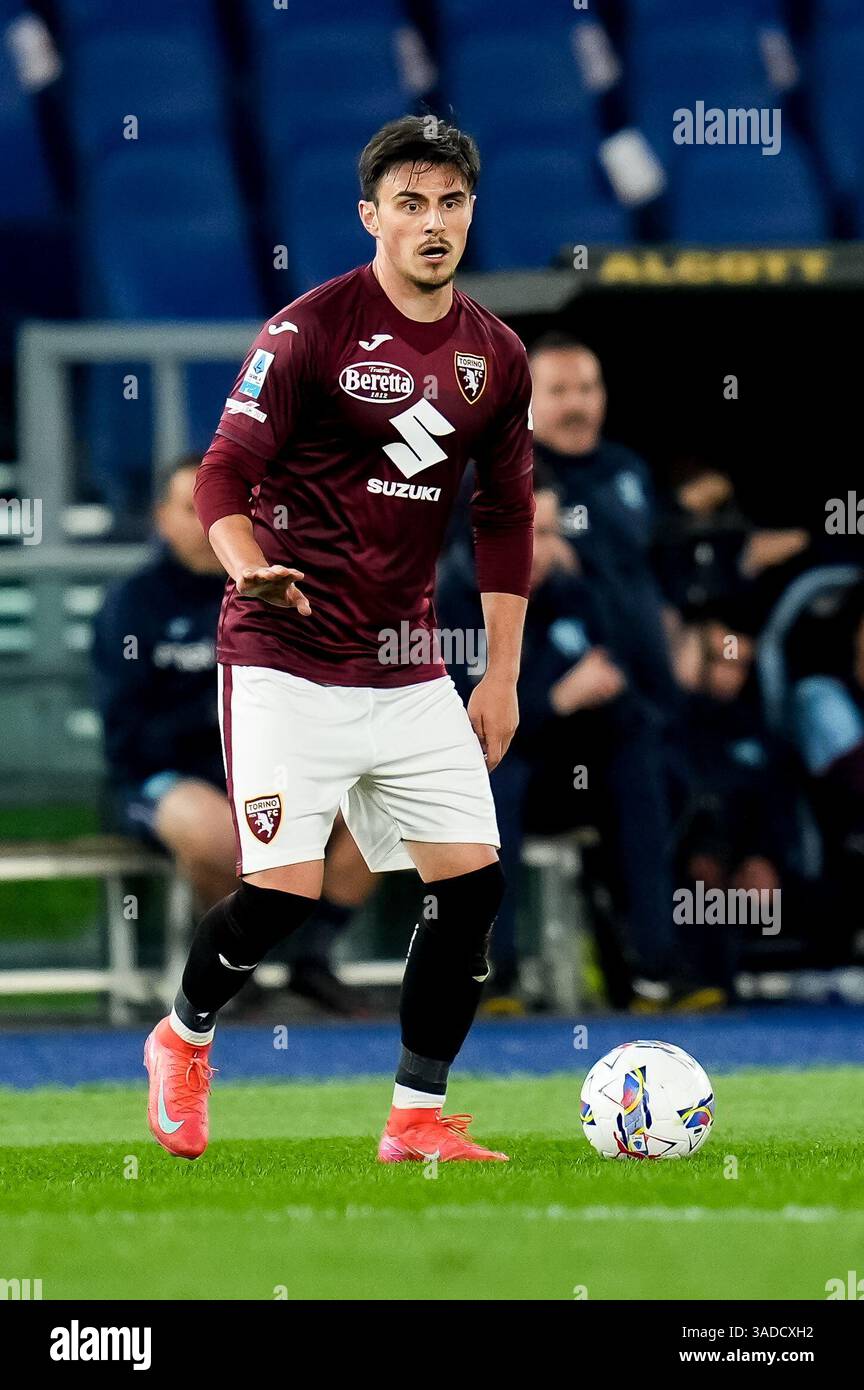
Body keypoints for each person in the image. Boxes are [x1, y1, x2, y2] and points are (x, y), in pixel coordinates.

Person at [143, 115, 535, 1163]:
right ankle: (181, 1037)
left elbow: (505, 520)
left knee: (474, 883)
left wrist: (499, 676)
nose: (433, 221)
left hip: (409, 666)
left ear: (469, 213)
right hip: (284, 655)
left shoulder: (495, 356)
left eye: (450, 201)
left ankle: (415, 1119)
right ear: (371, 217)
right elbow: (221, 472)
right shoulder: (307, 330)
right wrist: (242, 563)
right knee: (282, 891)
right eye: (410, 203)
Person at [93, 455, 374, 1014]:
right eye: (189, 508)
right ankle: (231, 964)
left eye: (219, 508)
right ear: (161, 519)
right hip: (164, 777)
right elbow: (124, 729)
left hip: (269, 765)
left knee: (377, 804)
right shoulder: (133, 604)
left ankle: (312, 959)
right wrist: (218, 714)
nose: (205, 521)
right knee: (220, 832)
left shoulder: (274, 586)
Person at [438, 472, 683, 1008]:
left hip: (570, 772)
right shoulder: (445, 600)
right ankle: (489, 972)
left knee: (639, 752)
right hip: (480, 781)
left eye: (552, 532)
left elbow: (614, 672)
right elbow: (460, 727)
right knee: (498, 772)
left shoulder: (570, 588)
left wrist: (574, 696)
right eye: (534, 534)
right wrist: (559, 700)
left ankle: (653, 964)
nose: (550, 549)